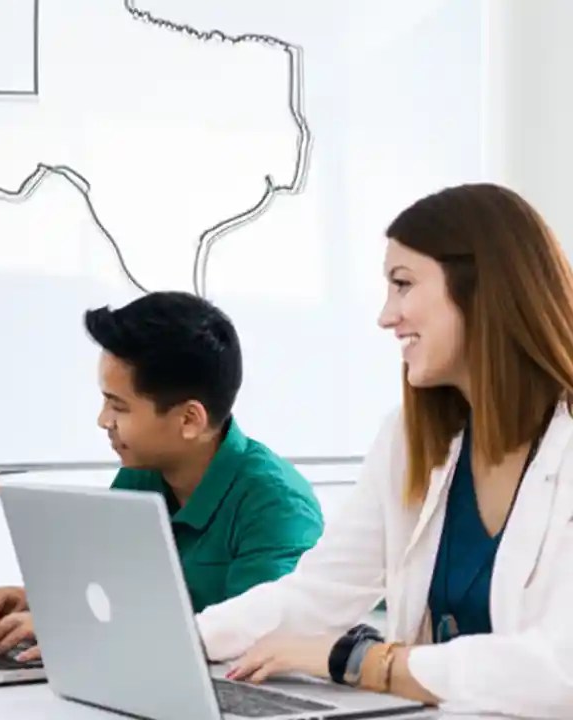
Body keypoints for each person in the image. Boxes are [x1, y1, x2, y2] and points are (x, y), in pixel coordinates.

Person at [200, 183, 573, 718]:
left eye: (403, 285)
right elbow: (315, 595)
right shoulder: (408, 439)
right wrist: (176, 638)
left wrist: (364, 662)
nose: (385, 316)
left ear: (481, 289)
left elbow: (559, 670)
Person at [0, 292, 325, 660]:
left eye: (118, 406)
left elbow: (257, 639)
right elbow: (110, 596)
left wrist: (76, 630)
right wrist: (40, 603)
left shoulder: (277, 506)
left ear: (189, 420)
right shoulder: (141, 476)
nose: (103, 420)